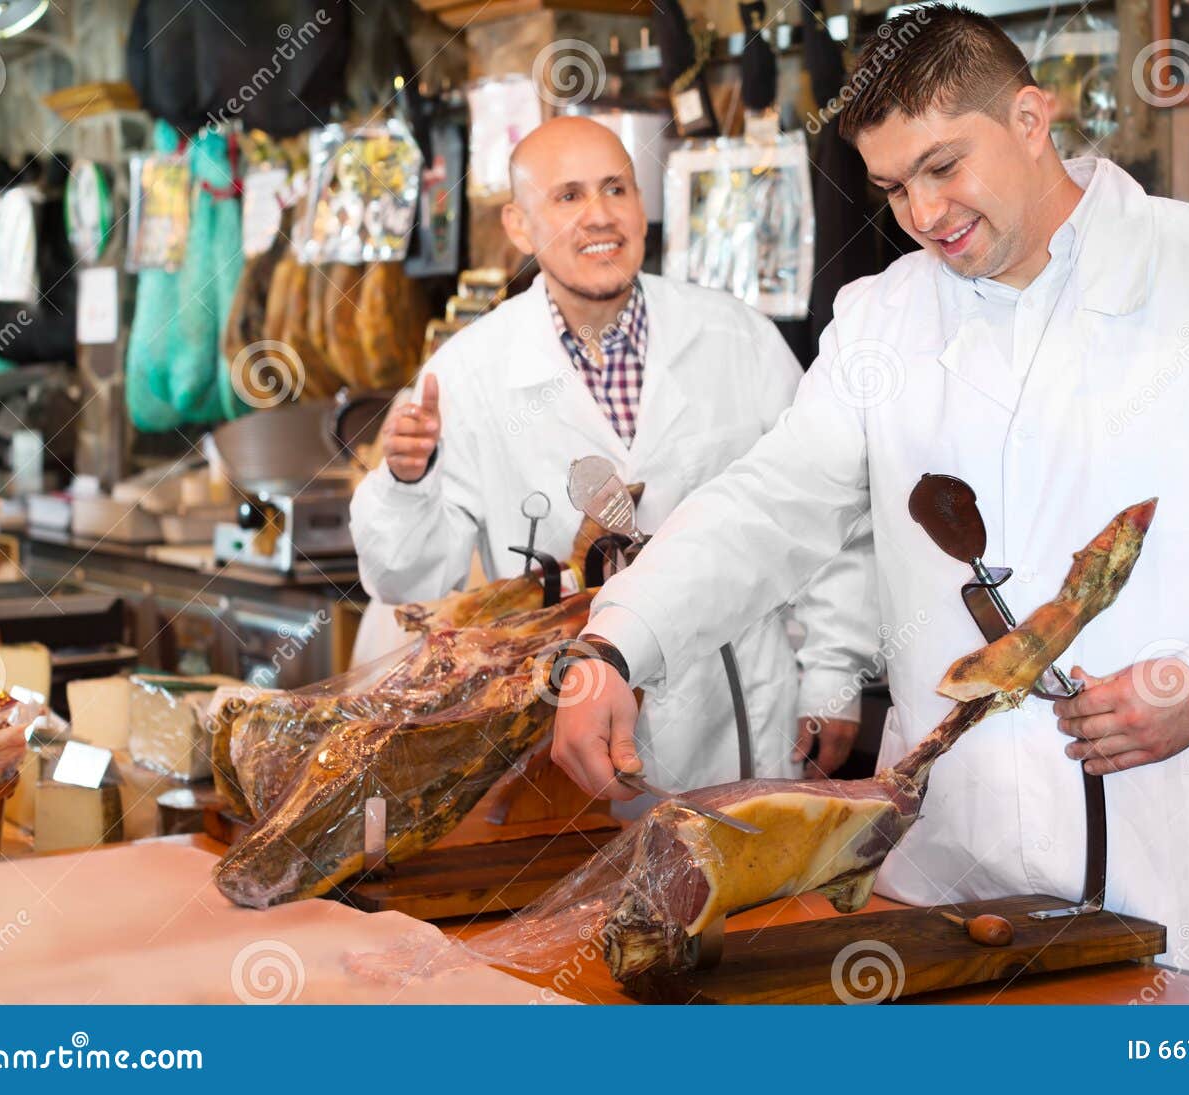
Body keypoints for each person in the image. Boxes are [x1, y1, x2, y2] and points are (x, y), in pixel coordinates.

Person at [549, 6, 1189, 1003]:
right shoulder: (882, 318)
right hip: (946, 872)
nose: (924, 214)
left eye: (942, 167)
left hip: (1175, 854)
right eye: (894, 188)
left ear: (1029, 117)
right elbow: (769, 506)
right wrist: (617, 641)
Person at [349, 116, 875, 791]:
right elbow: (410, 580)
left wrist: (834, 673)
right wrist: (406, 483)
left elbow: (824, 506)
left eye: (616, 189)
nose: (600, 215)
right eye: (568, 196)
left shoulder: (736, 336)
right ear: (518, 225)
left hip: (738, 723)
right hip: (562, 738)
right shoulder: (467, 373)